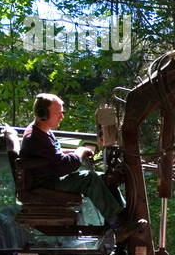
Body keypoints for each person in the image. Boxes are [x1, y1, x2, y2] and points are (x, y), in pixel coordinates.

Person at [19, 92, 125, 226]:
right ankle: (118, 224)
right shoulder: (35, 138)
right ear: (43, 114)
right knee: (89, 178)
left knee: (104, 178)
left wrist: (75, 152)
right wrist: (79, 152)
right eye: (58, 113)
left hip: (49, 178)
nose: (61, 117)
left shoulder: (43, 132)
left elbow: (52, 155)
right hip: (47, 184)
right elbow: (63, 166)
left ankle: (124, 214)